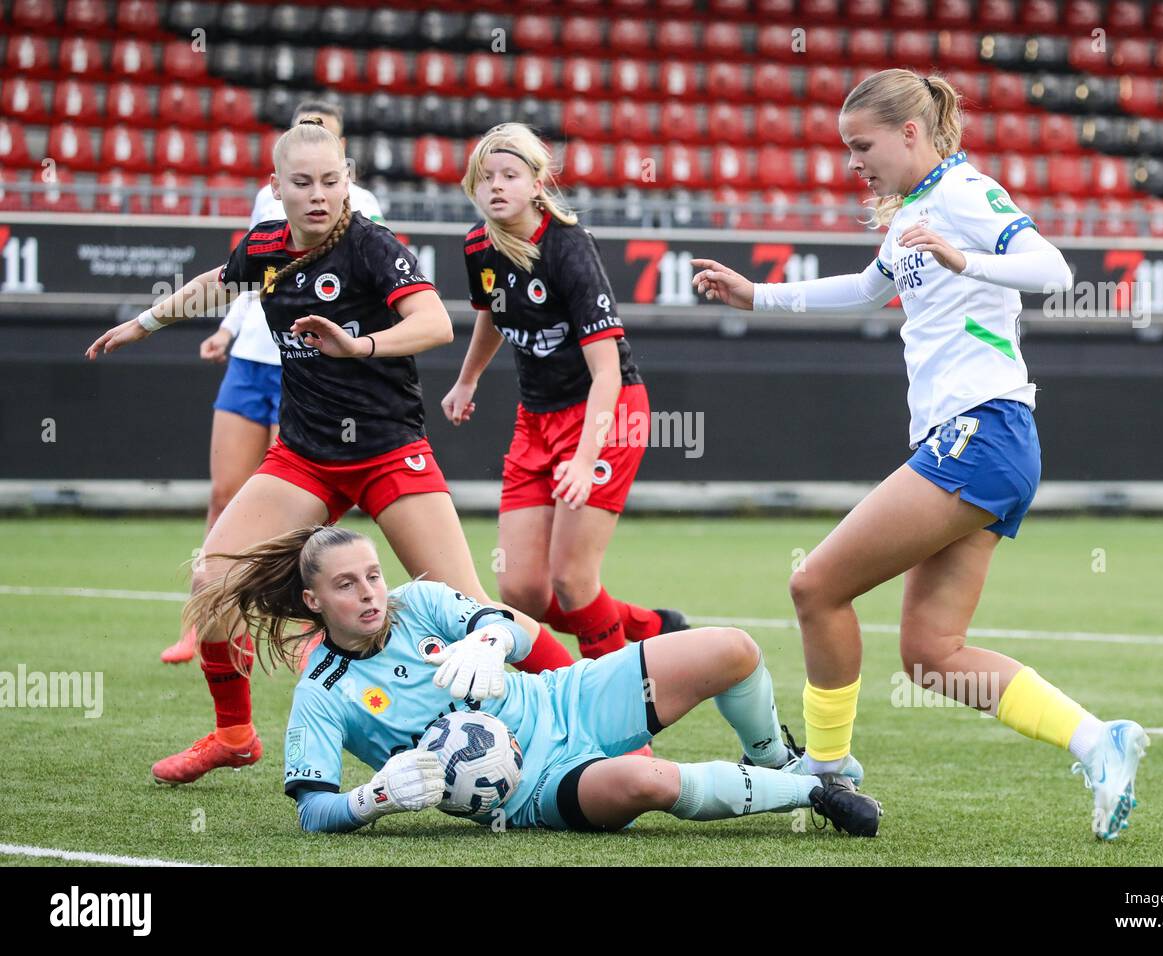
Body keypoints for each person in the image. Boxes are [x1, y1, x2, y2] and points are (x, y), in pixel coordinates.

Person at [690, 69, 1148, 841]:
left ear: (911, 132)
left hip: (982, 429)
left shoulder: (964, 194)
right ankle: (1097, 740)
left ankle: (827, 770)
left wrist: (971, 262)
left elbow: (1053, 270)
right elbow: (868, 292)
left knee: (816, 585)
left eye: (861, 146)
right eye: (845, 149)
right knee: (933, 655)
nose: (852, 163)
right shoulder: (913, 212)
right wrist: (758, 296)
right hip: (984, 439)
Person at [86, 120, 574, 786]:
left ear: (348, 179)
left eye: (331, 180)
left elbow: (434, 322)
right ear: (276, 188)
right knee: (211, 581)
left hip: (386, 449)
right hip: (307, 456)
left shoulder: (372, 245)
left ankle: (584, 698)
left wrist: (359, 345)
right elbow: (217, 280)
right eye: (304, 183)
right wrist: (142, 323)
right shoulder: (265, 245)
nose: (320, 195)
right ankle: (233, 735)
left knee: (471, 611)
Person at [183, 524, 882, 836]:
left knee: (732, 649)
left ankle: (772, 758)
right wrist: (369, 799)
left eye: (372, 574)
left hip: (565, 697)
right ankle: (816, 792)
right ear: (313, 603)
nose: (370, 593)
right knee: (650, 784)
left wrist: (492, 639)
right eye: (347, 585)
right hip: (530, 789)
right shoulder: (322, 693)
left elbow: (505, 621)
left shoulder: (417, 602)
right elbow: (313, 812)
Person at [443, 123, 686, 660]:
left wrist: (583, 458)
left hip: (608, 412)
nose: (497, 186)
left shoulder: (568, 248)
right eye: (485, 179)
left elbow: (609, 373)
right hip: (538, 417)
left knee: (573, 580)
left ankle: (615, 715)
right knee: (522, 591)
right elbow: (492, 314)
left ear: (537, 183)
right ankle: (648, 625)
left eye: (510, 175)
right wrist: (467, 379)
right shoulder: (479, 246)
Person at [162, 98, 386, 666]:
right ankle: (207, 611)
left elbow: (380, 292)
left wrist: (363, 350)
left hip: (308, 371)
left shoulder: (362, 214)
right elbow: (247, 275)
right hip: (254, 357)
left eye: (325, 145)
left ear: (343, 158)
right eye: (302, 138)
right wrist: (228, 330)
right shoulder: (273, 202)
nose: (314, 186)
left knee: (298, 510)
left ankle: (304, 615)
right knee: (226, 493)